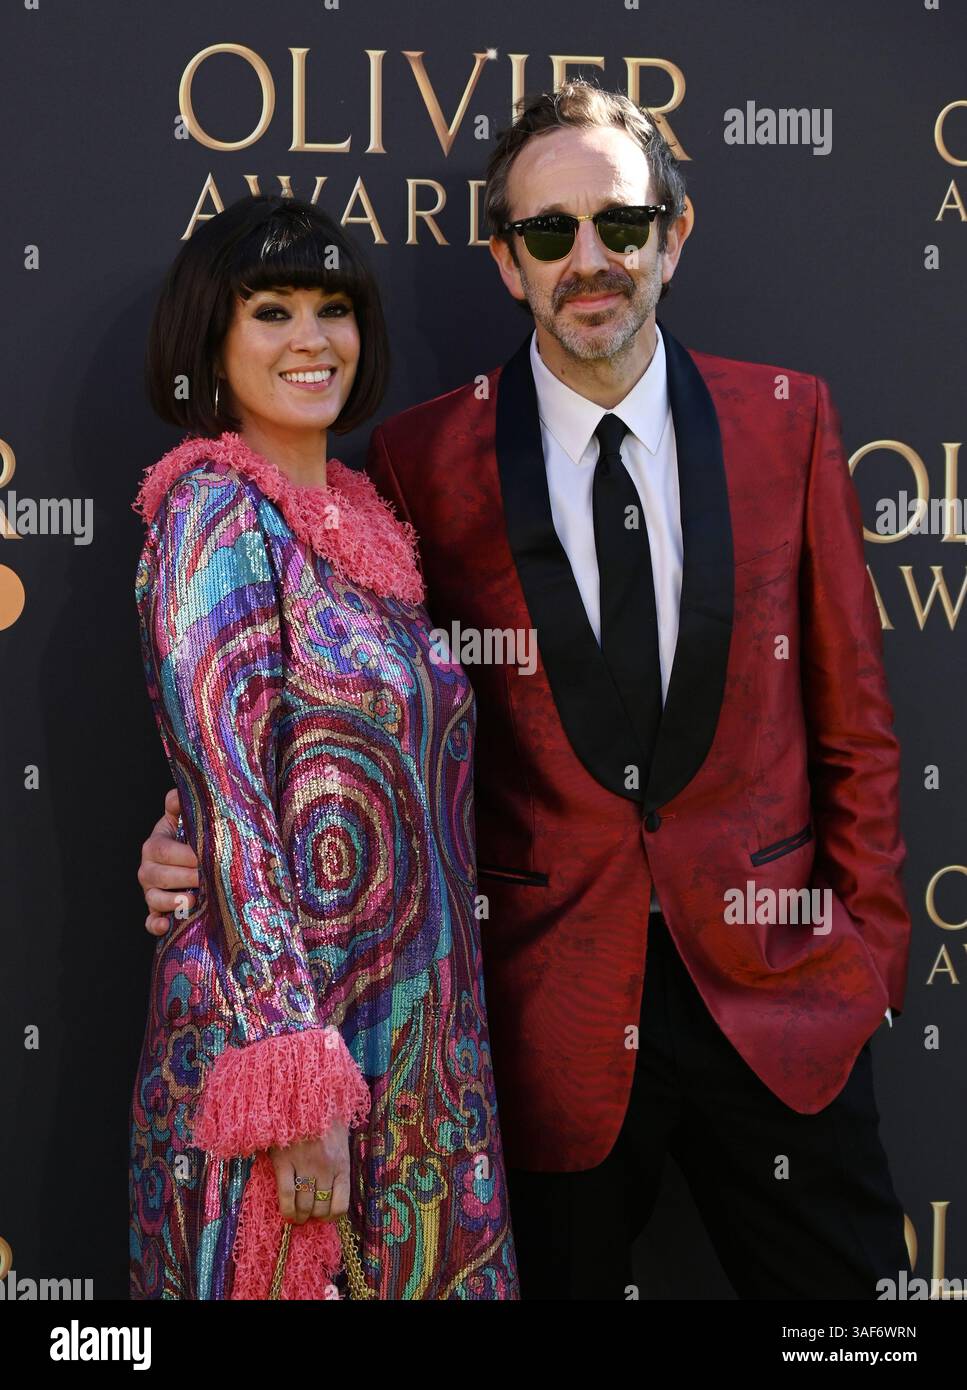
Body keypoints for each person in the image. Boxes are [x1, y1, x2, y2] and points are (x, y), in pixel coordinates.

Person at [137, 82, 913, 1300]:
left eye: (619, 222)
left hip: (782, 1007)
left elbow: (856, 719)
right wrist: (192, 832)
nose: (587, 259)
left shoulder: (789, 422)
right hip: (536, 1025)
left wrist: (865, 953)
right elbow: (308, 703)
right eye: (548, 232)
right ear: (505, 261)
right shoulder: (417, 461)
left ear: (675, 232)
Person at [128, 193, 519, 1301]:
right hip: (291, 1047)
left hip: (412, 1047)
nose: (313, 338)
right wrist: (295, 1095)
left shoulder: (362, 522)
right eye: (273, 311)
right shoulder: (212, 511)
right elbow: (234, 808)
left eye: (334, 308)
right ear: (212, 339)